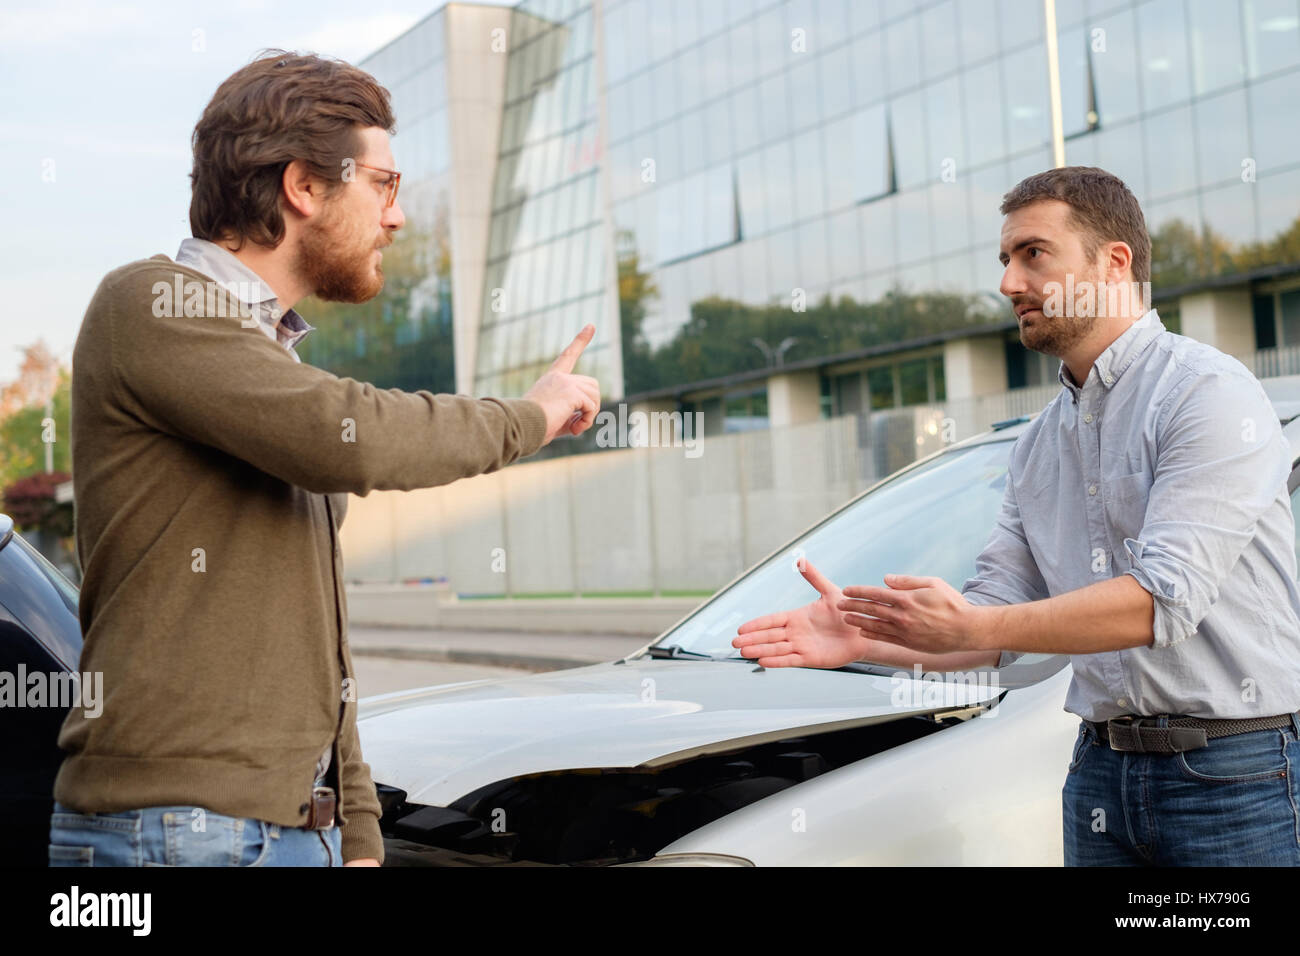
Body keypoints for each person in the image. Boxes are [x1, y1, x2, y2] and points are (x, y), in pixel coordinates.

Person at [48, 50, 600, 867]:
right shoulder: (150, 306)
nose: (396, 217)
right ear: (304, 187)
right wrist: (532, 415)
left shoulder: (265, 362)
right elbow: (356, 432)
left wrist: (358, 830)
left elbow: (317, 630)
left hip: (292, 833)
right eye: (385, 184)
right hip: (176, 833)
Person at [735, 166, 1300, 866]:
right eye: (1005, 260)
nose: (1008, 283)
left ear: (1113, 262)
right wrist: (869, 637)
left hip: (1232, 775)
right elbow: (992, 624)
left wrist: (974, 624)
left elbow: (1161, 602)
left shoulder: (1208, 395)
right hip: (1099, 771)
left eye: (1033, 254)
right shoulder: (1037, 445)